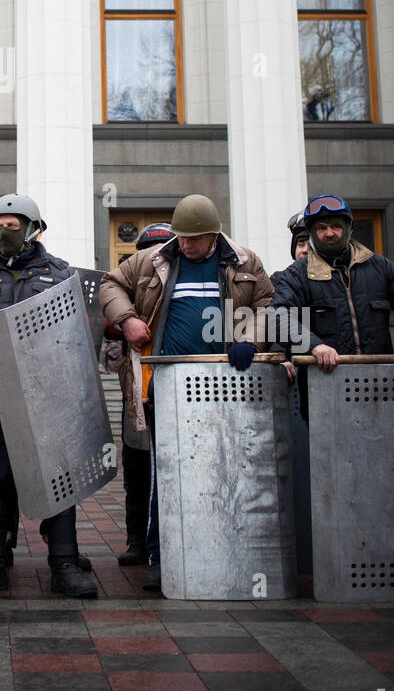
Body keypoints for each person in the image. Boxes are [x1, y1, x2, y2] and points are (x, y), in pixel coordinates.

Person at [99, 194, 273, 592]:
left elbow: (268, 304)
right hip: (167, 387)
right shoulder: (152, 259)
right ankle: (163, 556)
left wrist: (250, 338)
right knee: (170, 473)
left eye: (194, 240)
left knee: (222, 471)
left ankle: (220, 550)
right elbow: (111, 284)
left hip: (225, 387)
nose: (186, 245)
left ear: (214, 235)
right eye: (181, 238)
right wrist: (126, 319)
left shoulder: (246, 262)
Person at [0, 193, 98, 598]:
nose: (5, 231)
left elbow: (78, 336)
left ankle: (65, 564)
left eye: (14, 225)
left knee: (58, 481)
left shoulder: (61, 274)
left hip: (47, 402)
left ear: (34, 228)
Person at [102, 222, 174, 568]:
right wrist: (125, 318)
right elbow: (106, 325)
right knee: (137, 473)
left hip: (177, 392)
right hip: (137, 395)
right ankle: (136, 540)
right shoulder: (128, 283)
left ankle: (170, 542)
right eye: (147, 250)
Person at [270, 194, 394, 370]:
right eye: (321, 228)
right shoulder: (296, 275)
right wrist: (314, 345)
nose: (329, 233)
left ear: (348, 229)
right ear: (312, 233)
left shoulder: (381, 267)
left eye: (336, 226)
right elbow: (277, 315)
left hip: (380, 381)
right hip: (323, 383)